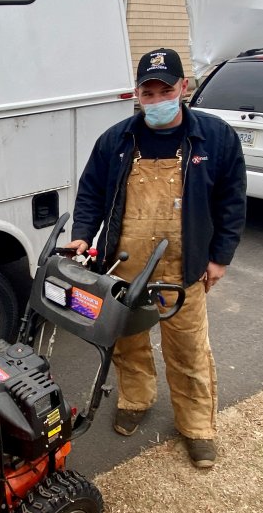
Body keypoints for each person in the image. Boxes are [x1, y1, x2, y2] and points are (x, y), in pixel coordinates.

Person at [65, 48, 245, 468]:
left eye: (166, 90)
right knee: (128, 345)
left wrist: (220, 258)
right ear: (137, 94)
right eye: (149, 92)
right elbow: (90, 193)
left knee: (188, 352)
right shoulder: (116, 141)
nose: (157, 100)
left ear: (184, 87)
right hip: (124, 269)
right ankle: (135, 400)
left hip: (183, 269)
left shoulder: (215, 138)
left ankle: (197, 428)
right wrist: (81, 236)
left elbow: (231, 201)